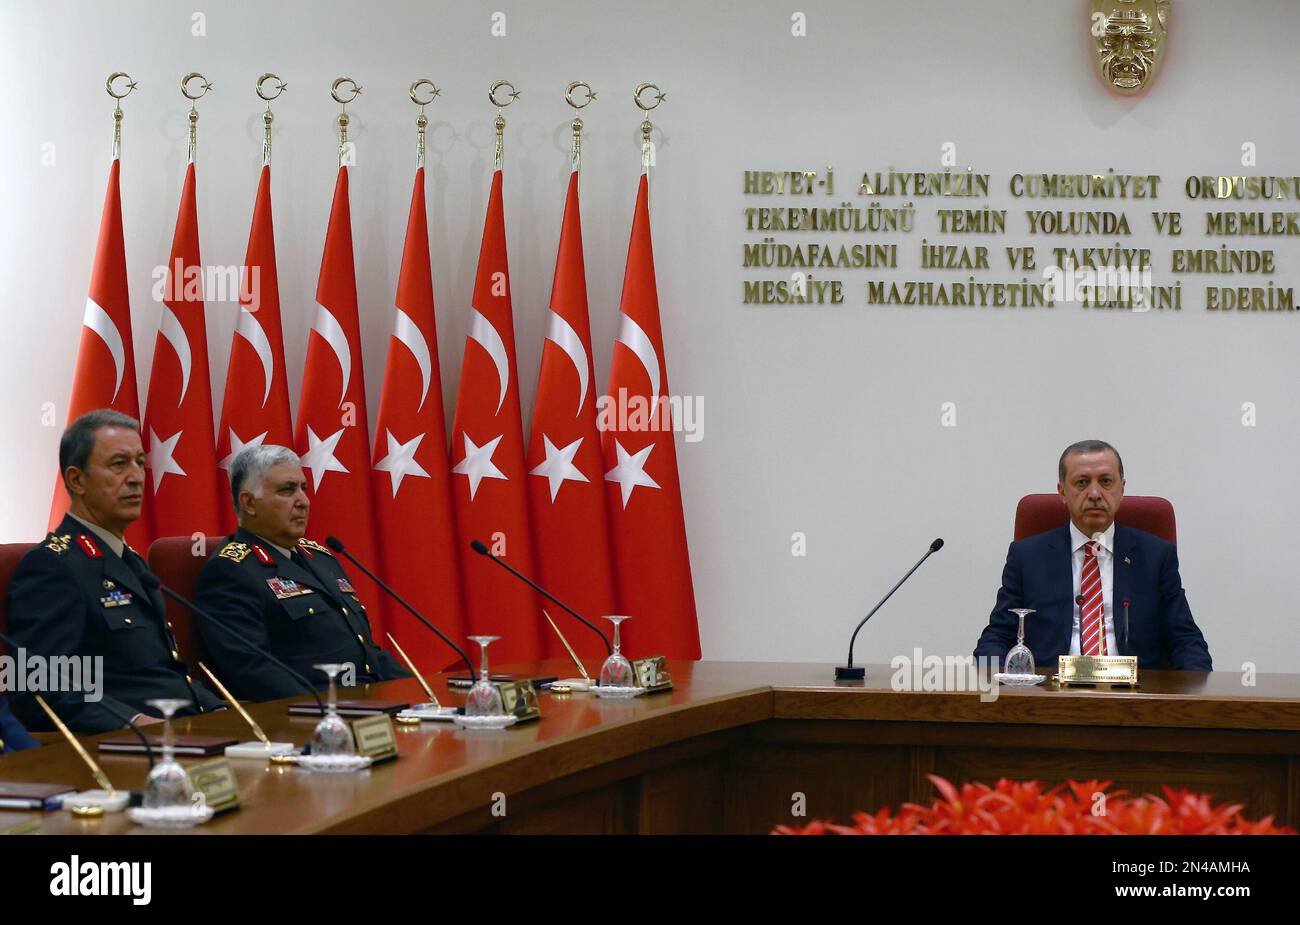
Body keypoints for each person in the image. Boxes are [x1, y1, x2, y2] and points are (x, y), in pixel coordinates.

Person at [6, 410, 223, 734]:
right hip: (123, 749)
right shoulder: (53, 567)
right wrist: (132, 723)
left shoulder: (128, 560)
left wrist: (221, 709)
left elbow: (164, 674)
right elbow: (40, 686)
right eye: (119, 464)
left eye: (139, 462)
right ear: (76, 480)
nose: (136, 476)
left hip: (181, 734)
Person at [192, 444, 408, 701]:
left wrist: (419, 693)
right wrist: (324, 713)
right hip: (307, 716)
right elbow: (252, 670)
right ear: (249, 503)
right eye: (287, 490)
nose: (303, 502)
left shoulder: (320, 557)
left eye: (303, 489)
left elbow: (366, 650)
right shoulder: (231, 571)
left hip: (365, 703)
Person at [974, 439, 1212, 671]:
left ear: (1122, 489)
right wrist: (997, 692)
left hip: (1136, 697)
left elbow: (1185, 639)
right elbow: (999, 634)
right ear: (1062, 492)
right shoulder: (1027, 557)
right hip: (1050, 697)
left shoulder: (1156, 556)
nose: (1095, 493)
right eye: (1082, 483)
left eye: (1106, 482)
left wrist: (1195, 699)